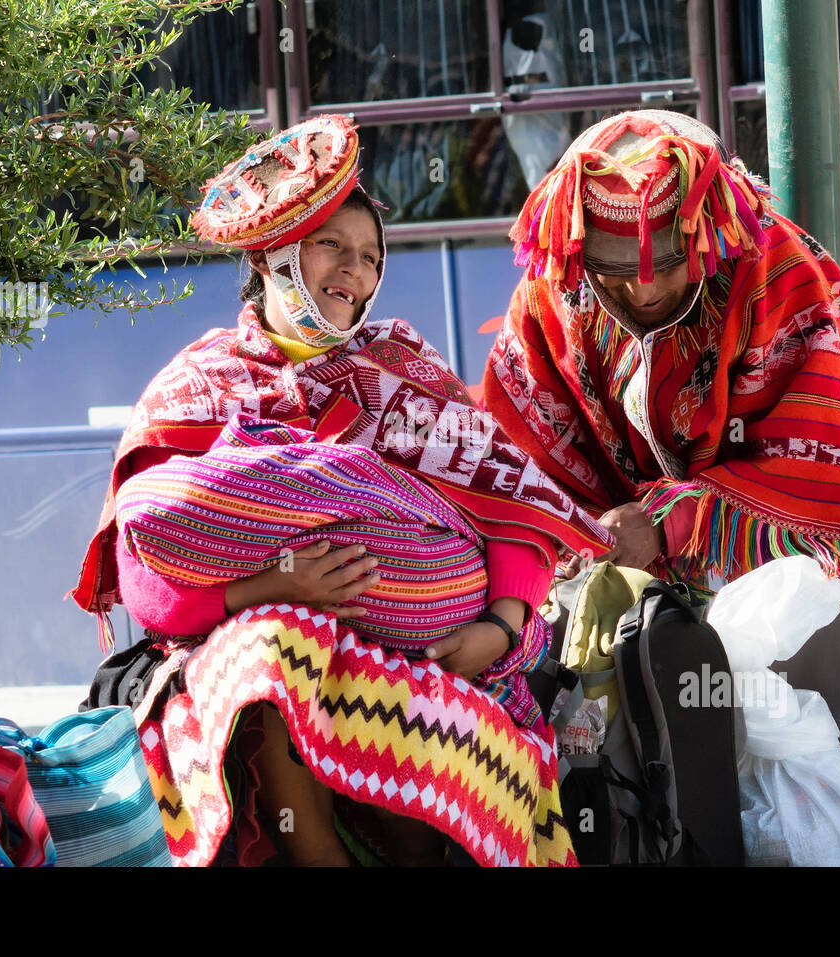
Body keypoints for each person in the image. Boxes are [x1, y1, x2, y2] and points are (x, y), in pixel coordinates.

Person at [71, 114, 610, 866]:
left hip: (433, 664)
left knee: (432, 728)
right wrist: (270, 585)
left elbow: (511, 511)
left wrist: (498, 624)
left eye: (368, 256)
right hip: (265, 698)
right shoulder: (197, 390)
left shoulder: (404, 372)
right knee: (276, 649)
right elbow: (147, 583)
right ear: (272, 256)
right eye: (331, 246)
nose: (352, 272)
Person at [482, 110, 840, 785]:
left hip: (790, 541)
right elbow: (515, 448)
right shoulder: (555, 288)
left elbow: (823, 462)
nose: (642, 287)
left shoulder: (775, 266)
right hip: (624, 564)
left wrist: (675, 520)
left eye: (666, 261)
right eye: (613, 269)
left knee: (830, 646)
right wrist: (582, 538)